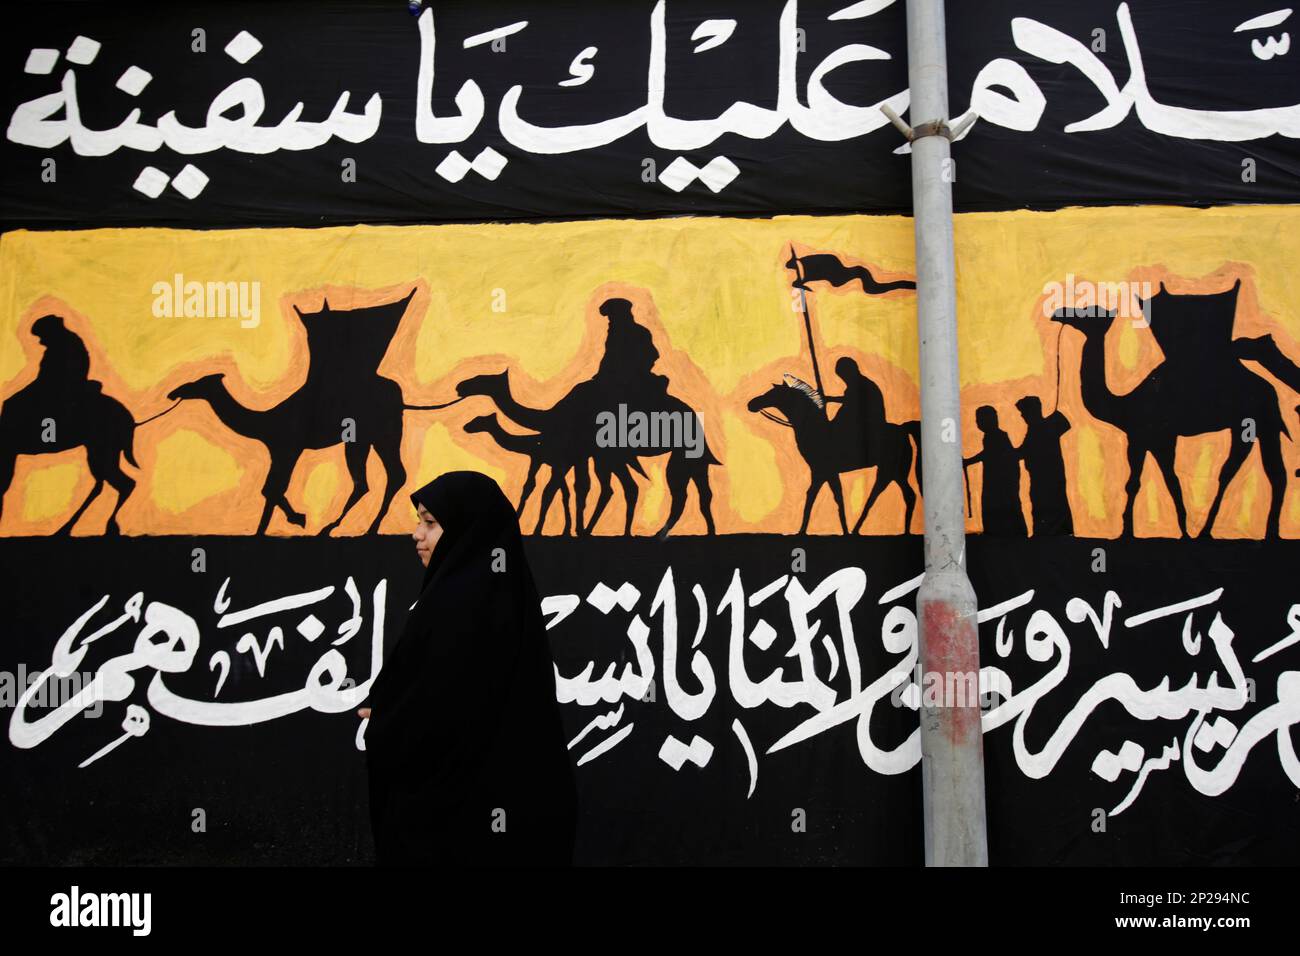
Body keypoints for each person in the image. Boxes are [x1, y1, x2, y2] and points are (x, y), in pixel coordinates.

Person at [358, 471, 577, 866]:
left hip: (459, 825)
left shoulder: (458, 607)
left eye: (430, 522)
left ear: (466, 530)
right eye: (419, 521)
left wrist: (394, 717)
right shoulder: (505, 598)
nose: (417, 535)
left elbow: (452, 709)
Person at [963, 405, 1027, 536]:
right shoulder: (992, 436)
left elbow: (988, 454)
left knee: (1000, 503)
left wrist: (968, 461)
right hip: (997, 478)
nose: (978, 423)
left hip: (999, 480)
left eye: (980, 420)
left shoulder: (997, 436)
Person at [1014, 396, 1073, 535]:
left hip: (1047, 478)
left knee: (1047, 504)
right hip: (1042, 477)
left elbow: (1024, 451)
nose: (1022, 416)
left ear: (1032, 411)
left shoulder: (1042, 427)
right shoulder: (1038, 428)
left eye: (1024, 412)